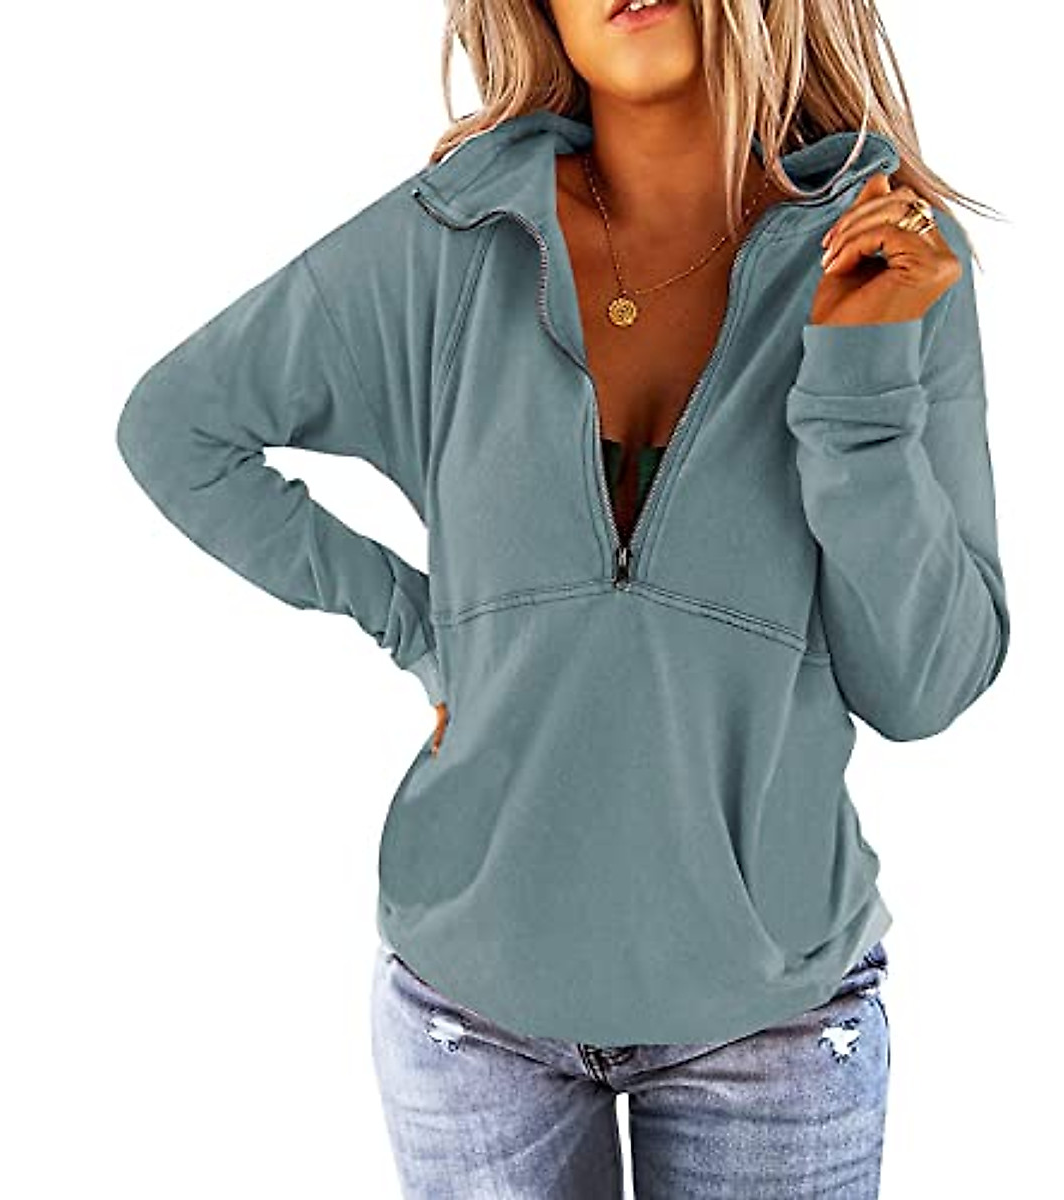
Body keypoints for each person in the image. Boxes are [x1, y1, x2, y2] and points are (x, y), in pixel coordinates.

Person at [116, 1, 1010, 1194]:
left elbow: (924, 687)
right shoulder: (452, 239)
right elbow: (178, 428)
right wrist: (419, 627)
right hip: (473, 1013)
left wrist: (858, 396)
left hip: (775, 1018)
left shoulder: (887, 260)